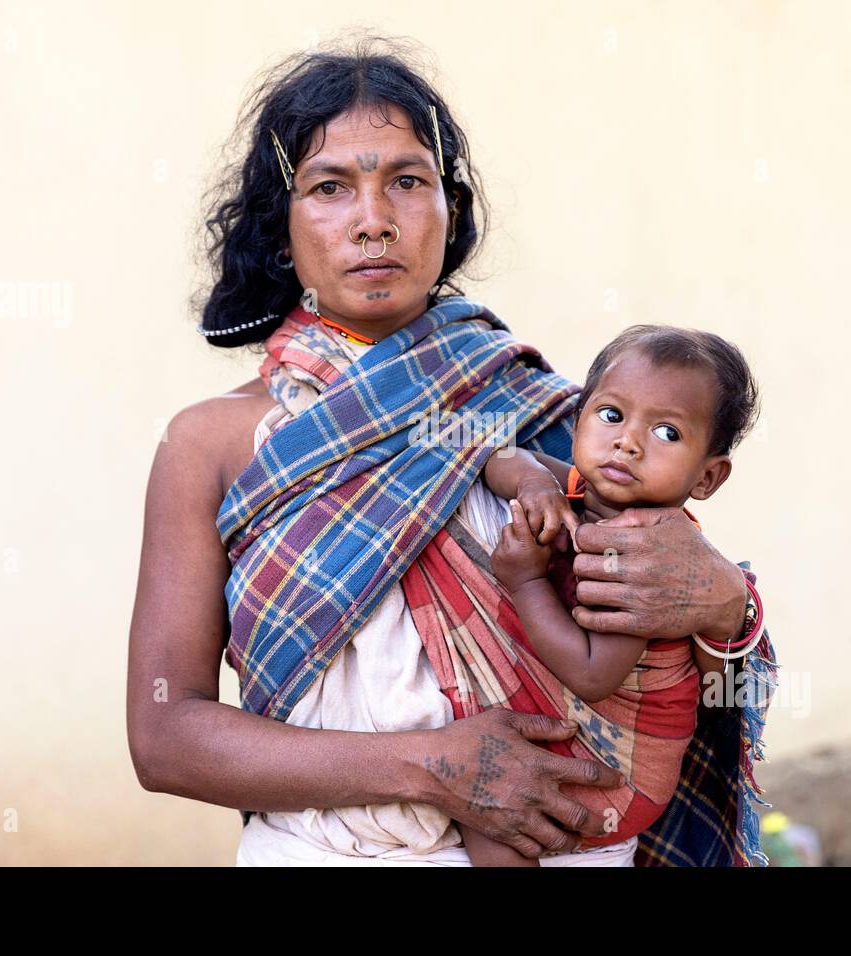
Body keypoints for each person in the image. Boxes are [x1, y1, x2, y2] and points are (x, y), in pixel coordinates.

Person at [125, 38, 775, 867]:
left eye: (406, 180)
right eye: (330, 188)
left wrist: (725, 600)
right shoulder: (211, 445)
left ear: (449, 210)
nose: (374, 220)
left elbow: (698, 620)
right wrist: (436, 769)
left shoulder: (557, 415)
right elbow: (165, 734)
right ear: (282, 232)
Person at [455, 325, 761, 866]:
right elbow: (494, 457)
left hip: (621, 770)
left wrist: (525, 581)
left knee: (491, 822)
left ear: (708, 477)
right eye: (612, 416)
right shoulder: (581, 491)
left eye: (667, 433)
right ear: (578, 420)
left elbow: (593, 674)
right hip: (583, 744)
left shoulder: (649, 554)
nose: (628, 442)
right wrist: (530, 477)